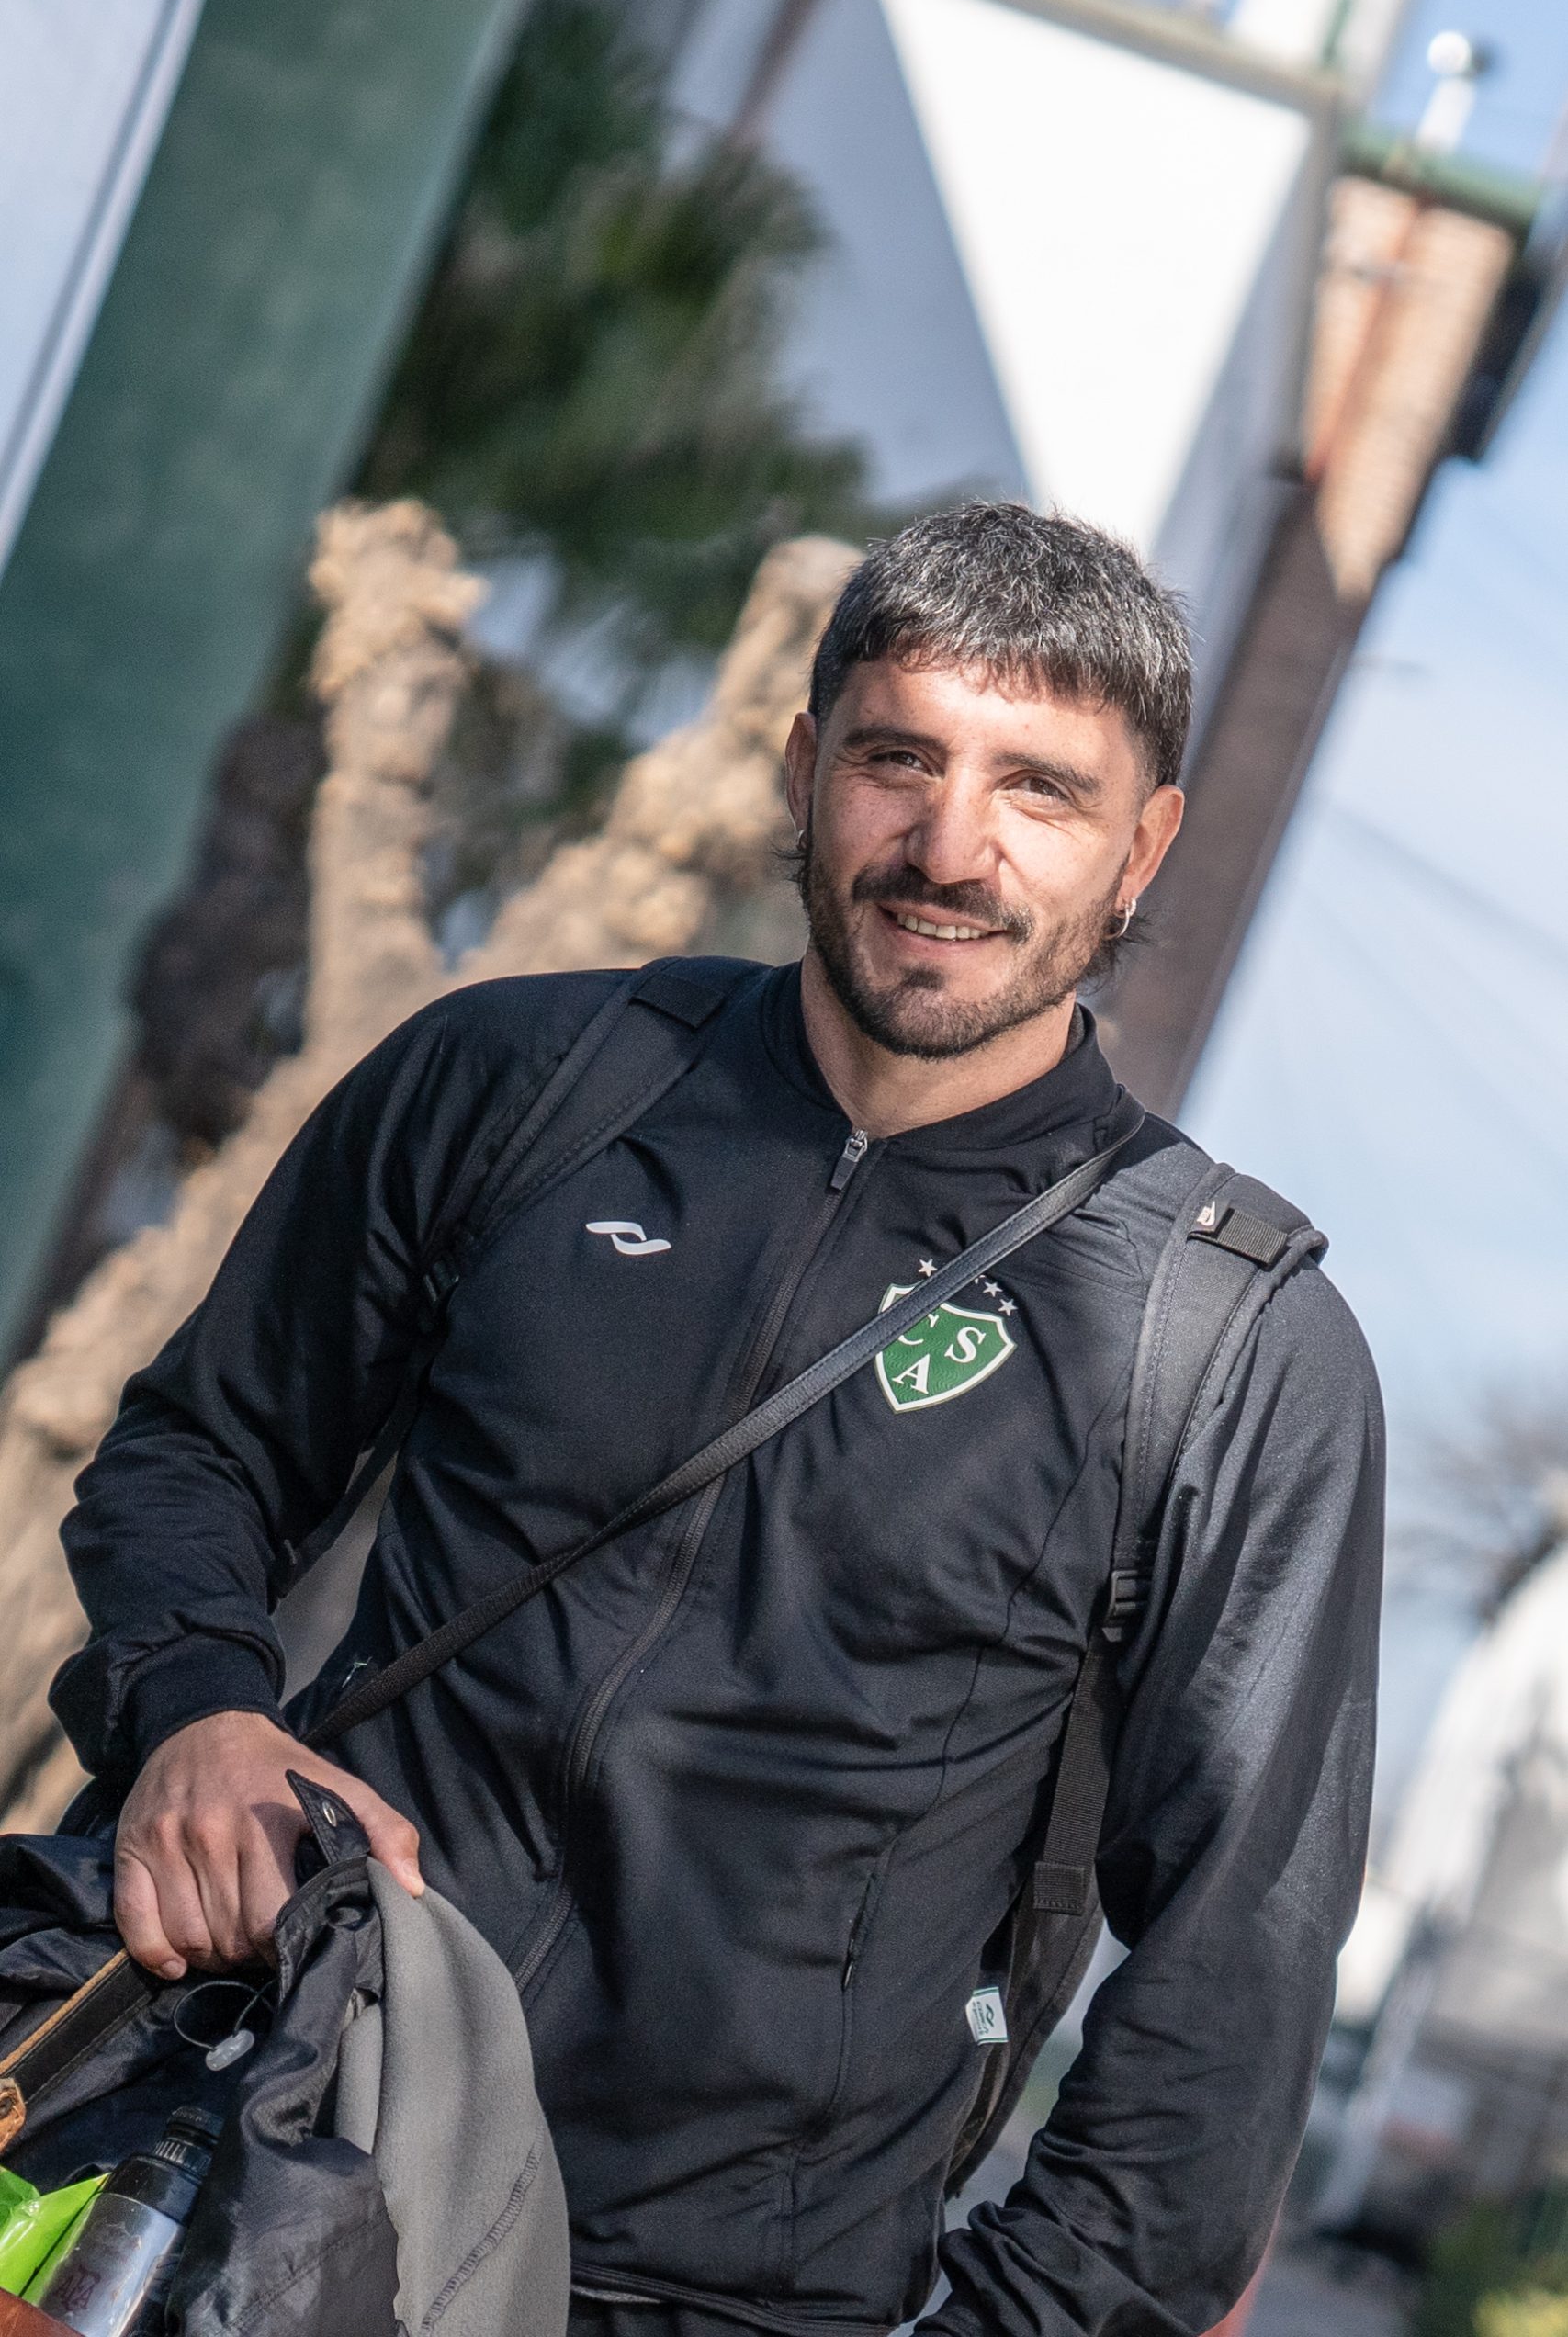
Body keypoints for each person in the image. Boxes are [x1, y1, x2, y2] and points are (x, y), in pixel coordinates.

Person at [52, 502, 1383, 2337]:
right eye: (895, 758)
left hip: (719, 2291)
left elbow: (1234, 1963)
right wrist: (199, 1705)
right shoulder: (516, 1078)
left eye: (1039, 791)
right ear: (799, 764)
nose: (948, 845)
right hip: (257, 2150)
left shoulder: (1225, 1342)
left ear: (1143, 844)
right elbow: (196, 1452)